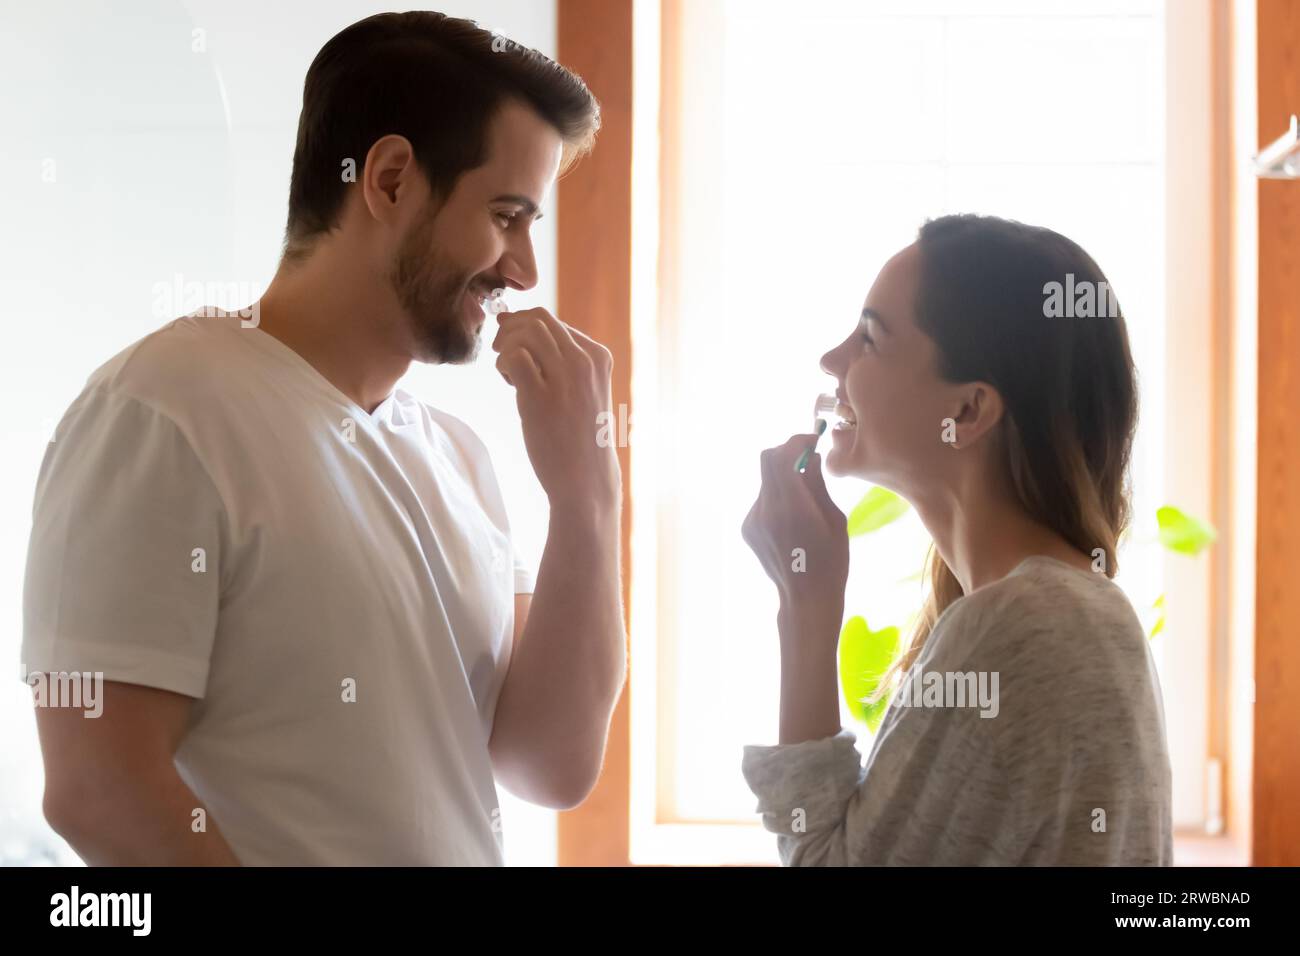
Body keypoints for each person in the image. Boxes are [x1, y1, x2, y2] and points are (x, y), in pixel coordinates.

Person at [22, 11, 625, 865]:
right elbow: (97, 788)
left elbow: (549, 765)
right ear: (387, 180)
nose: (525, 268)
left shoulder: (462, 457)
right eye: (506, 215)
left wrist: (588, 496)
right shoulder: (159, 407)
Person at [739, 214, 1172, 865]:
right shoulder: (1056, 611)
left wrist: (805, 603)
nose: (832, 361)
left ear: (967, 412)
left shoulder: (1027, 624)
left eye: (870, 338)